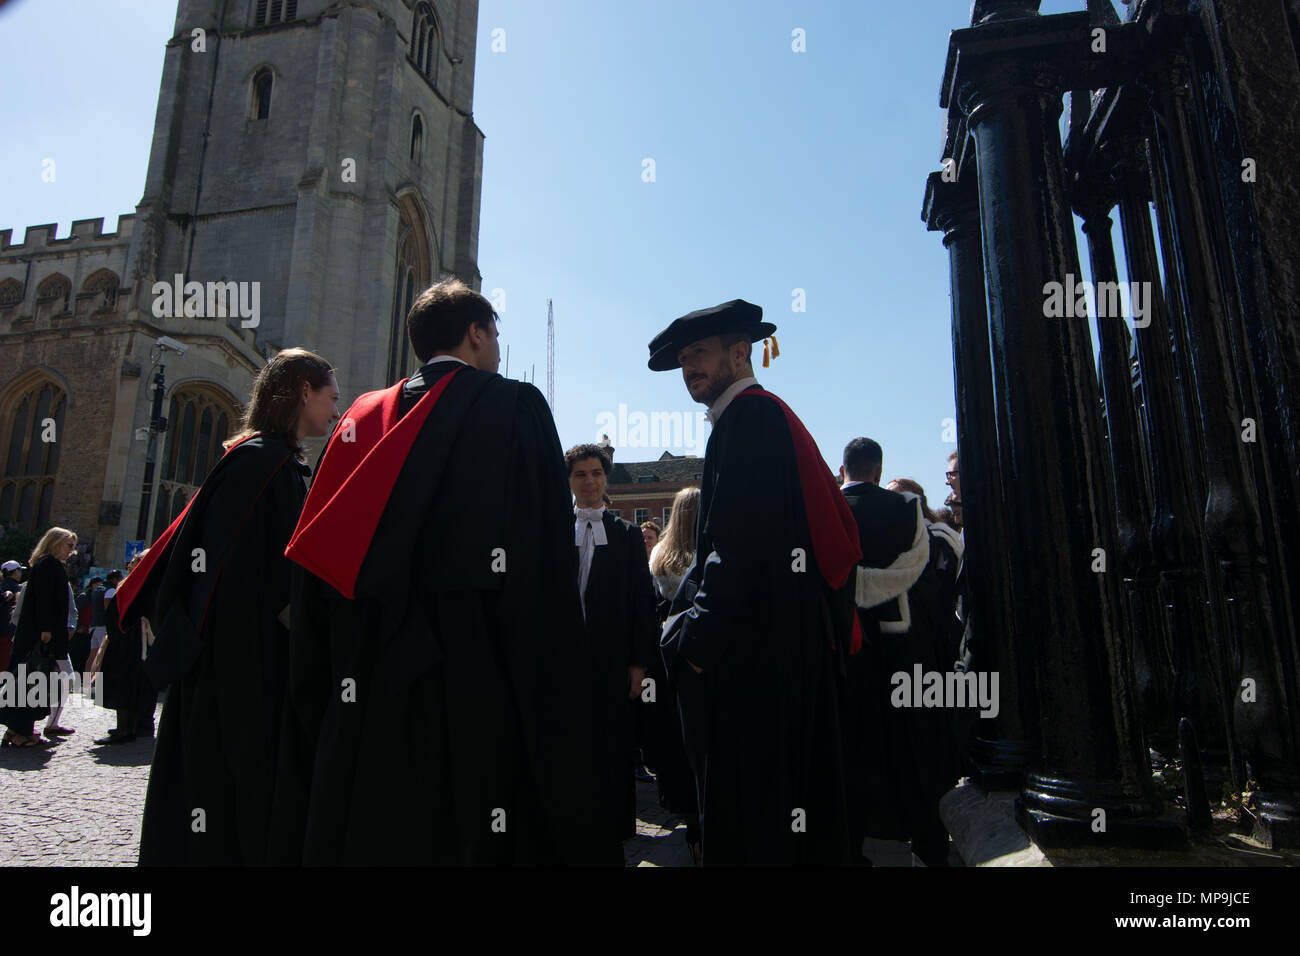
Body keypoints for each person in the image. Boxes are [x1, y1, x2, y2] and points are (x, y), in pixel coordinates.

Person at [279, 278, 600, 865]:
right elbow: (544, 558)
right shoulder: (516, 405)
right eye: (495, 333)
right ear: (475, 334)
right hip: (477, 674)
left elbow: (316, 562)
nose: (498, 347)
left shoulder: (360, 417)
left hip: (369, 672)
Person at [649, 298, 861, 865]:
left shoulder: (749, 419)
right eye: (683, 359)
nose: (689, 367)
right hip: (774, 649)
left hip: (756, 662)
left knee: (757, 821)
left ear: (740, 353)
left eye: (700, 353)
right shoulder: (754, 417)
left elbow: (737, 549)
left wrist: (695, 643)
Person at [115, 347, 338, 865]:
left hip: (234, 662)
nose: (335, 409)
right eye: (331, 396)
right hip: (242, 666)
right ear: (303, 391)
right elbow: (258, 579)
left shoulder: (262, 459)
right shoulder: (265, 463)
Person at [567, 443, 659, 864]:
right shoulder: (552, 529)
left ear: (606, 480)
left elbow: (643, 601)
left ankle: (612, 832)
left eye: (596, 474)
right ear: (569, 481)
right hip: (563, 663)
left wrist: (638, 664)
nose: (589, 481)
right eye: (581, 474)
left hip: (610, 662)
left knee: (611, 748)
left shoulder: (624, 535)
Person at [645, 485, 703, 862]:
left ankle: (692, 833)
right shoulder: (704, 559)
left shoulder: (661, 560)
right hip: (698, 656)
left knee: (679, 746)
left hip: (666, 660)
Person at [0, 528, 76, 747]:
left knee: (31, 682)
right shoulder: (48, 565)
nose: (71, 551)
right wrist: (46, 630)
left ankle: (19, 729)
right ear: (56, 543)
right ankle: (19, 732)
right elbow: (45, 600)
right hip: (38, 636)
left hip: (36, 635)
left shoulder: (46, 564)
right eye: (69, 546)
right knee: (29, 682)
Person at [95, 553, 158, 745]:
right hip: (125, 640)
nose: (130, 565)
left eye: (135, 562)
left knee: (125, 684)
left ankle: (126, 729)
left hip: (130, 642)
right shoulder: (136, 583)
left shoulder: (142, 583)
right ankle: (129, 727)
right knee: (128, 684)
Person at [1, 559, 24, 673]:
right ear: (15, 572)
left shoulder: (1, 587)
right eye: (19, 570)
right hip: (11, 632)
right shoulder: (19, 589)